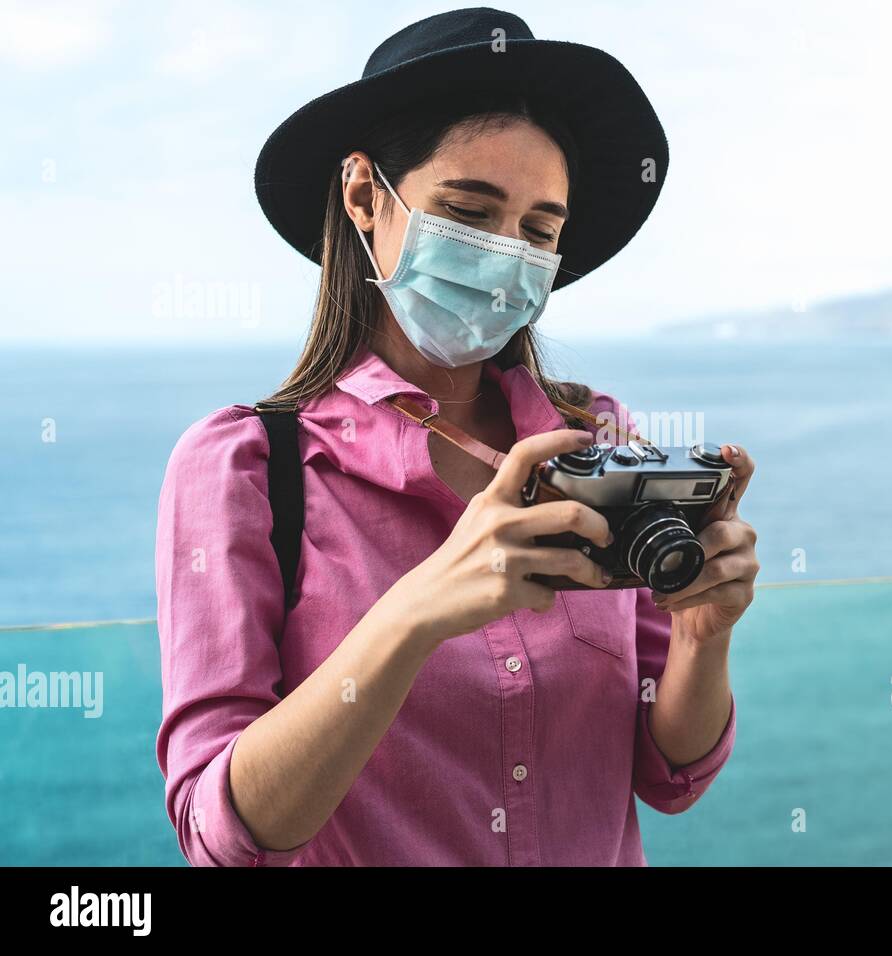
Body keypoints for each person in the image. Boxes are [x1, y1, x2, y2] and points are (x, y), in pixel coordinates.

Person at [154, 7, 759, 866]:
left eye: (540, 231)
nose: (505, 253)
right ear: (364, 194)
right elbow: (223, 836)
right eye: (469, 210)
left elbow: (671, 775)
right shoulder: (246, 469)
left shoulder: (597, 440)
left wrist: (703, 634)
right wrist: (418, 611)